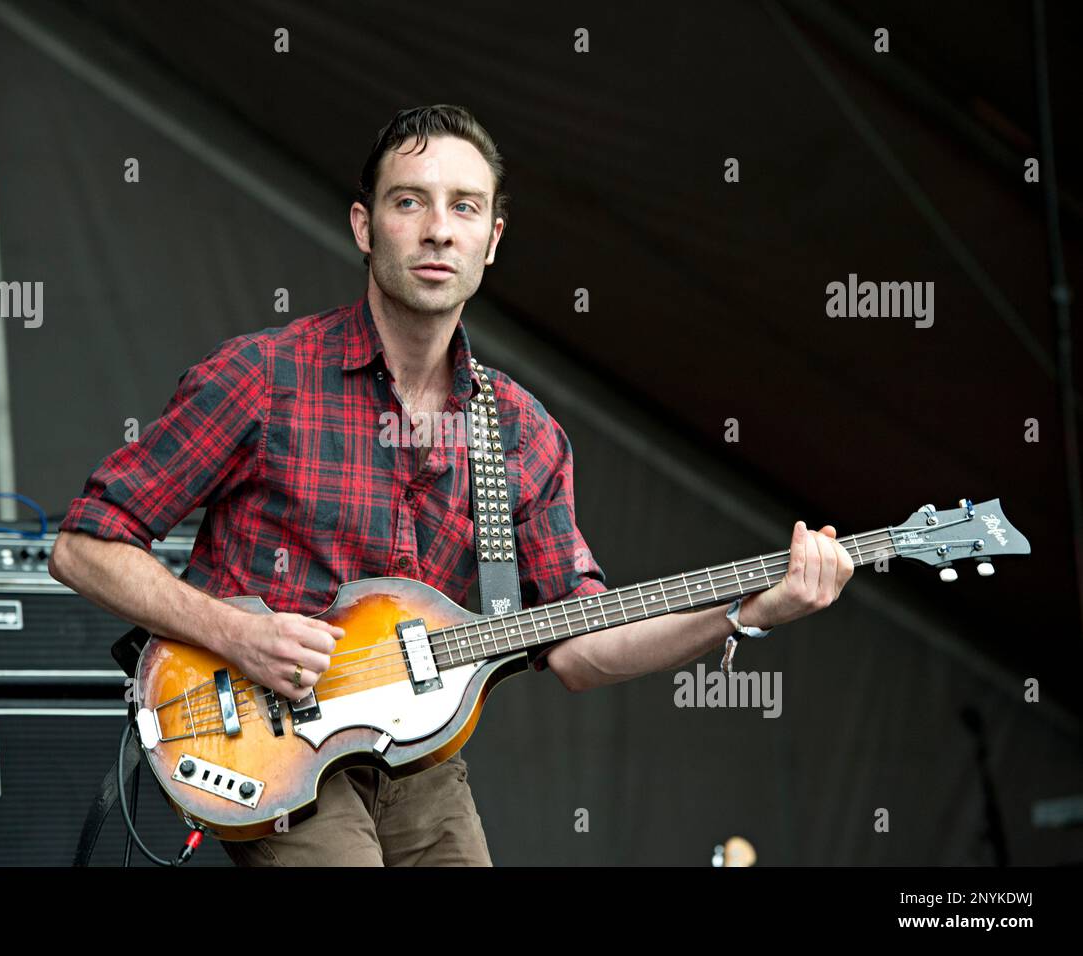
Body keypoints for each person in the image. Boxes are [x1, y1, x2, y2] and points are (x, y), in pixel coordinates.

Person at [48, 104, 853, 866]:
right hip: (265, 742)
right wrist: (233, 633)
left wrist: (746, 612)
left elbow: (580, 647)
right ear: (365, 225)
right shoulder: (264, 377)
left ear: (492, 239)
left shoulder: (521, 432)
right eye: (410, 202)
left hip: (419, 764)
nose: (438, 229)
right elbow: (84, 548)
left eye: (466, 208)